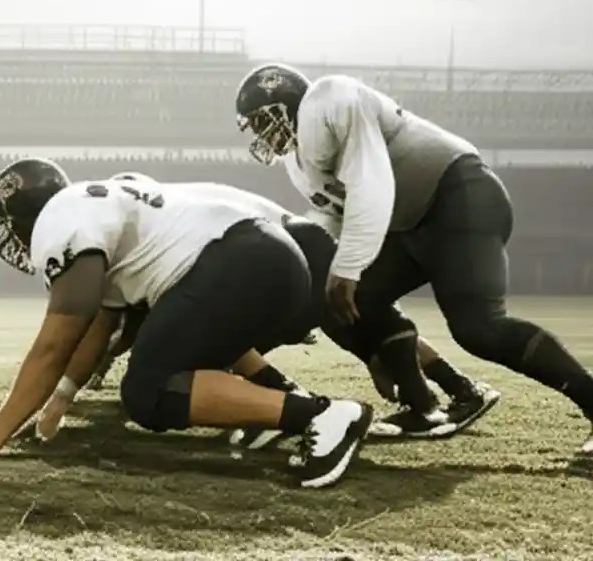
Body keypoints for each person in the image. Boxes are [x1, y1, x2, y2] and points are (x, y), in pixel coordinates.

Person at [235, 63, 593, 456]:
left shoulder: (329, 98)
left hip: (459, 197)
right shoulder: (298, 162)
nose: (260, 133)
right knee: (336, 302)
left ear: (286, 103)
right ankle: (423, 404)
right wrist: (359, 332)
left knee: (479, 330)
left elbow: (371, 184)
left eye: (263, 119)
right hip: (411, 226)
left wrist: (348, 266)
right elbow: (332, 218)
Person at [0, 158, 373, 489]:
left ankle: (322, 415)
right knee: (171, 340)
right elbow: (100, 328)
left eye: (9, 226)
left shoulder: (59, 221)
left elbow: (55, 346)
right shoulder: (99, 206)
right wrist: (59, 402)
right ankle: (284, 401)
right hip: (268, 261)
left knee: (150, 390)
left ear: (26, 214)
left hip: (241, 263)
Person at [28, 174, 500, 448]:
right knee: (366, 326)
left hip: (270, 253)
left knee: (193, 337)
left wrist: (68, 390)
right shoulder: (147, 197)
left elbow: (123, 322)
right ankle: (456, 384)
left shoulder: (125, 225)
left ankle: (288, 407)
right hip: (292, 241)